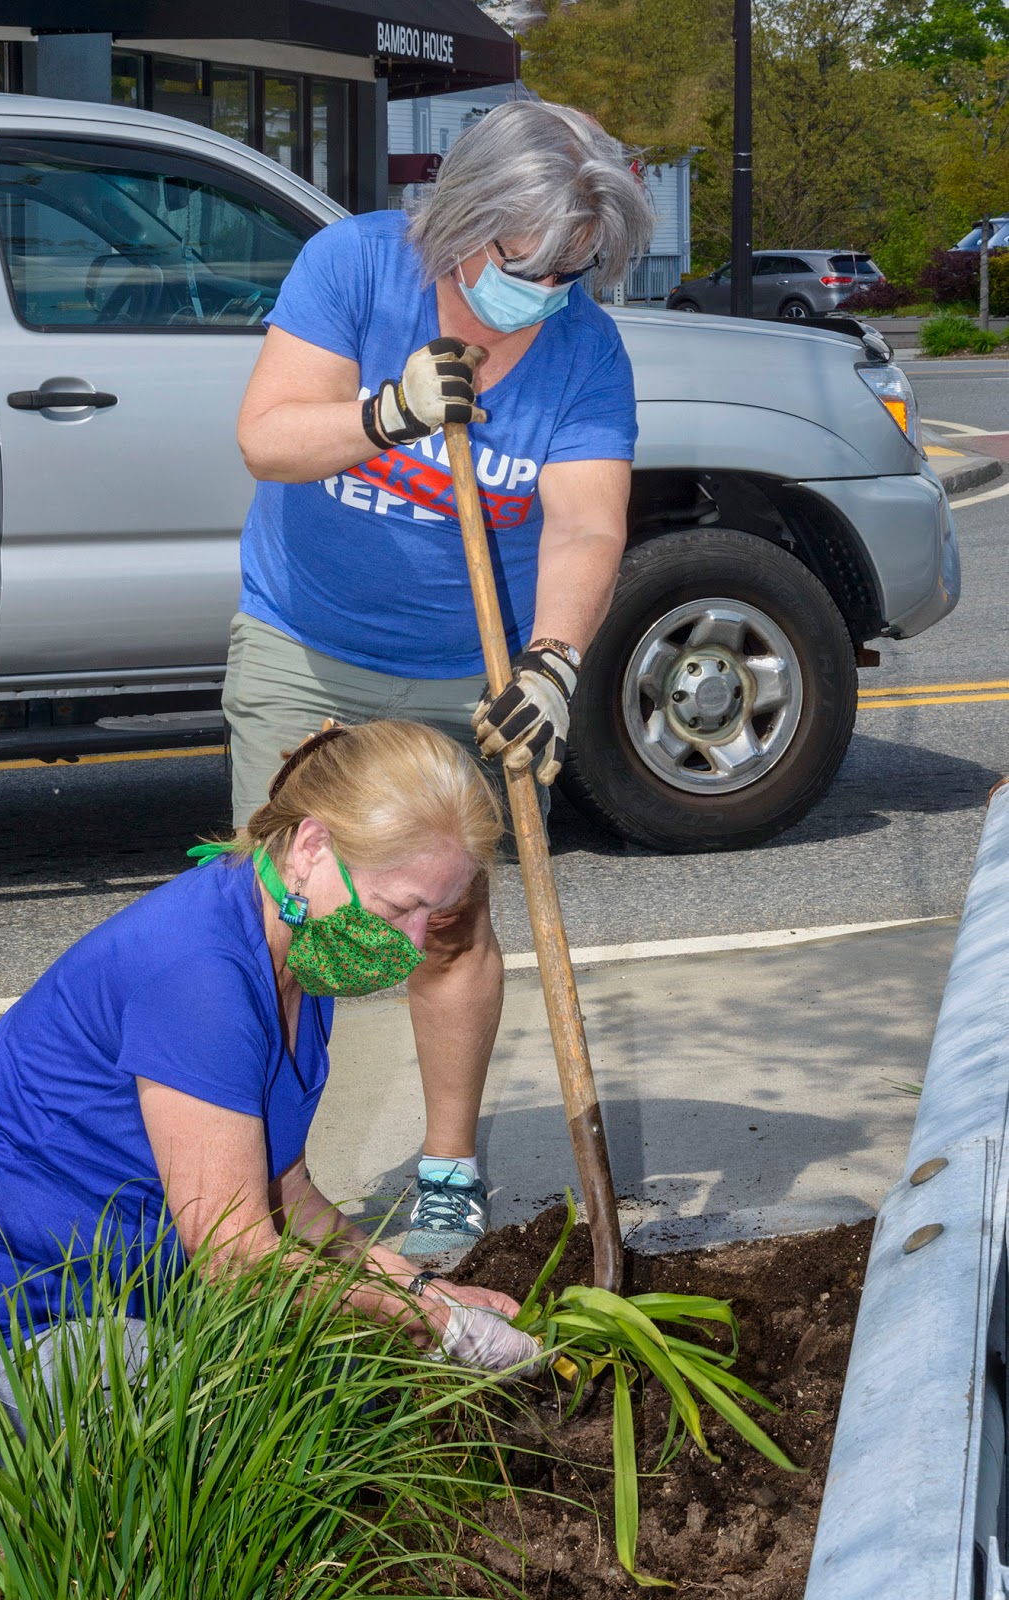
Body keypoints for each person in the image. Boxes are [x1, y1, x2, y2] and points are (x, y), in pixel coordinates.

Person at [0, 721, 540, 1537]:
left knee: (339, 1390)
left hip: (103, 1290)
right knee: (232, 1450)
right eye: (401, 907)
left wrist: (414, 1288)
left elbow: (283, 1189)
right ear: (311, 847)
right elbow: (237, 1261)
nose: (412, 943)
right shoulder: (199, 975)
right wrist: (435, 1327)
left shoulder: (299, 946)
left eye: (436, 913)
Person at [223, 99, 653, 1257]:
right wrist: (388, 412)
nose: (547, 292)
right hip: (305, 645)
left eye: (573, 270)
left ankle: (449, 1170)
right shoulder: (356, 269)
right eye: (527, 264)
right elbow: (267, 437)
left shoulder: (584, 351)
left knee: (447, 924)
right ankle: (257, 1174)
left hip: (475, 670)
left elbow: (585, 524)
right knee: (280, 922)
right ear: (465, 219)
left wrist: (554, 661)